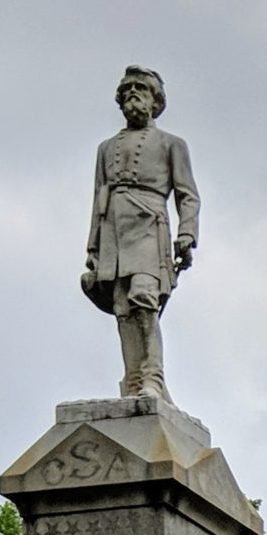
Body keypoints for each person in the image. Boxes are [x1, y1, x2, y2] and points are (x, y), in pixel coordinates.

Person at [82, 67, 199, 401]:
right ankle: (133, 379)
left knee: (144, 300)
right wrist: (93, 245)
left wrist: (187, 233)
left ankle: (153, 378)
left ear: (155, 100)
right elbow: (98, 195)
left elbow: (187, 194)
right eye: (128, 88)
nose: (133, 93)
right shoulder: (106, 148)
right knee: (122, 307)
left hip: (149, 223)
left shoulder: (171, 144)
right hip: (114, 231)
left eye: (141, 88)